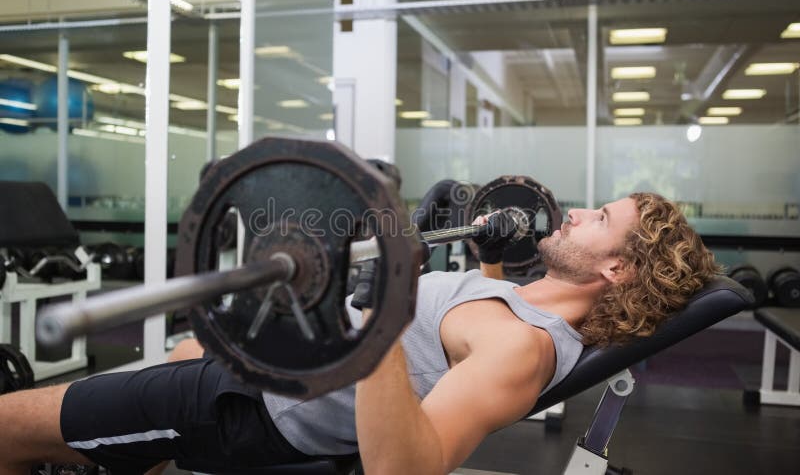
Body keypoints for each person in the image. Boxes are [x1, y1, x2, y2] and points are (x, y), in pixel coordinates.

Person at [0, 192, 719, 475]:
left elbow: (404, 469)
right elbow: (460, 317)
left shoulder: (519, 347)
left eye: (599, 217)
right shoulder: (521, 300)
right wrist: (488, 251)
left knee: (9, 427)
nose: (576, 211)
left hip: (249, 407)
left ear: (619, 268)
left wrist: (383, 308)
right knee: (154, 384)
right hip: (259, 370)